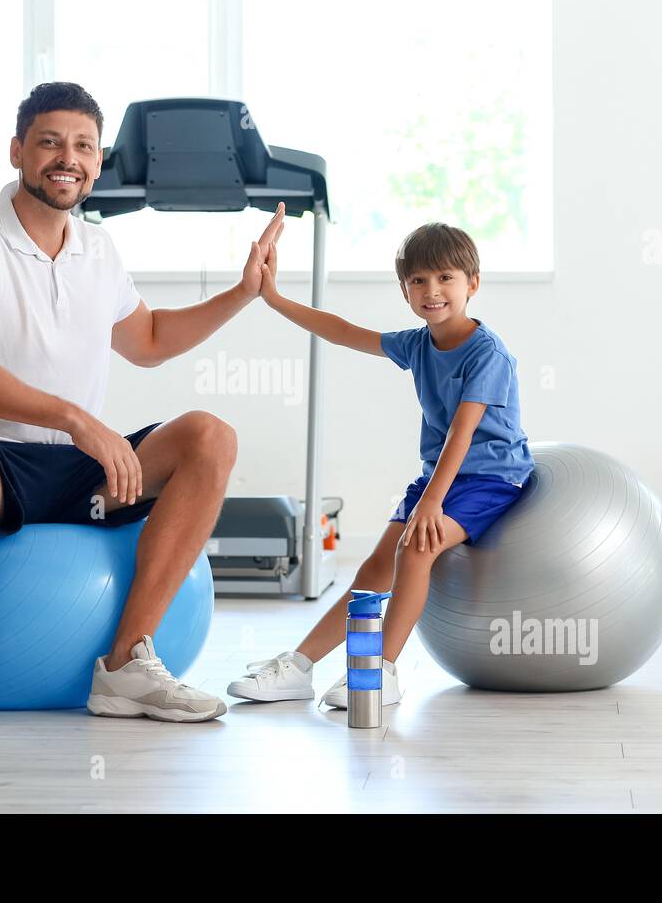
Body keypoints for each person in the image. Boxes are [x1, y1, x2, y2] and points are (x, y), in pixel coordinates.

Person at [0, 81, 285, 744]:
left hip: (73, 475)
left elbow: (152, 340)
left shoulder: (97, 250)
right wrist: (75, 419)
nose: (67, 158)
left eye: (83, 146)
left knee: (209, 437)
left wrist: (244, 293)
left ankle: (125, 666)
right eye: (50, 142)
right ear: (18, 151)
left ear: (98, 161)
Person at [227, 222, 534, 707]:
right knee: (373, 566)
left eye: (445, 278)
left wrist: (431, 502)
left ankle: (380, 674)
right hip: (439, 476)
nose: (432, 291)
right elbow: (344, 332)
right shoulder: (417, 344)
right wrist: (274, 299)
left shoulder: (487, 352)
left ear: (472, 284)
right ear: (404, 290)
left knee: (414, 552)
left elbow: (463, 430)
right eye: (418, 281)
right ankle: (299, 667)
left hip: (491, 478)